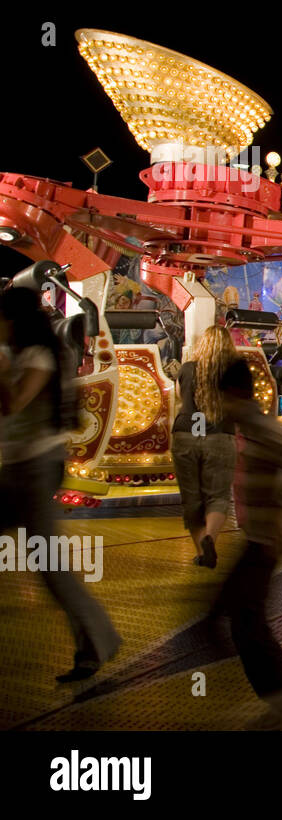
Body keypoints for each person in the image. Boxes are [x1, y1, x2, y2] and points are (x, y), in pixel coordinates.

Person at [0, 287, 121, 682]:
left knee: (50, 565)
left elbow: (14, 403)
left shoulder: (37, 356)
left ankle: (96, 642)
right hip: (14, 468)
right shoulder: (18, 354)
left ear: (12, 321)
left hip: (35, 468)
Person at [209, 358, 282, 729]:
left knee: (246, 623)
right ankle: (281, 702)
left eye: (222, 397)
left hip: (264, 541)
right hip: (257, 537)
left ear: (233, 393)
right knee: (238, 618)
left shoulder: (258, 426)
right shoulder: (246, 425)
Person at [171, 325, 239, 568]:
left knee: (192, 498)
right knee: (218, 495)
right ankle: (210, 537)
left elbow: (179, 396)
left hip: (186, 434)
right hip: (220, 435)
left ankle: (201, 551)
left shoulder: (187, 368)